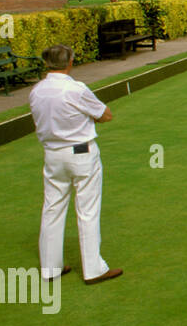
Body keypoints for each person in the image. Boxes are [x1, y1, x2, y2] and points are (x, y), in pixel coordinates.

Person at [28, 44, 122, 284]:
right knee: (88, 210)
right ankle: (93, 269)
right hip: (81, 152)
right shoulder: (76, 89)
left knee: (52, 208)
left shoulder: (36, 91)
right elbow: (106, 115)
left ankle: (50, 268)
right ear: (69, 62)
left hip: (52, 154)